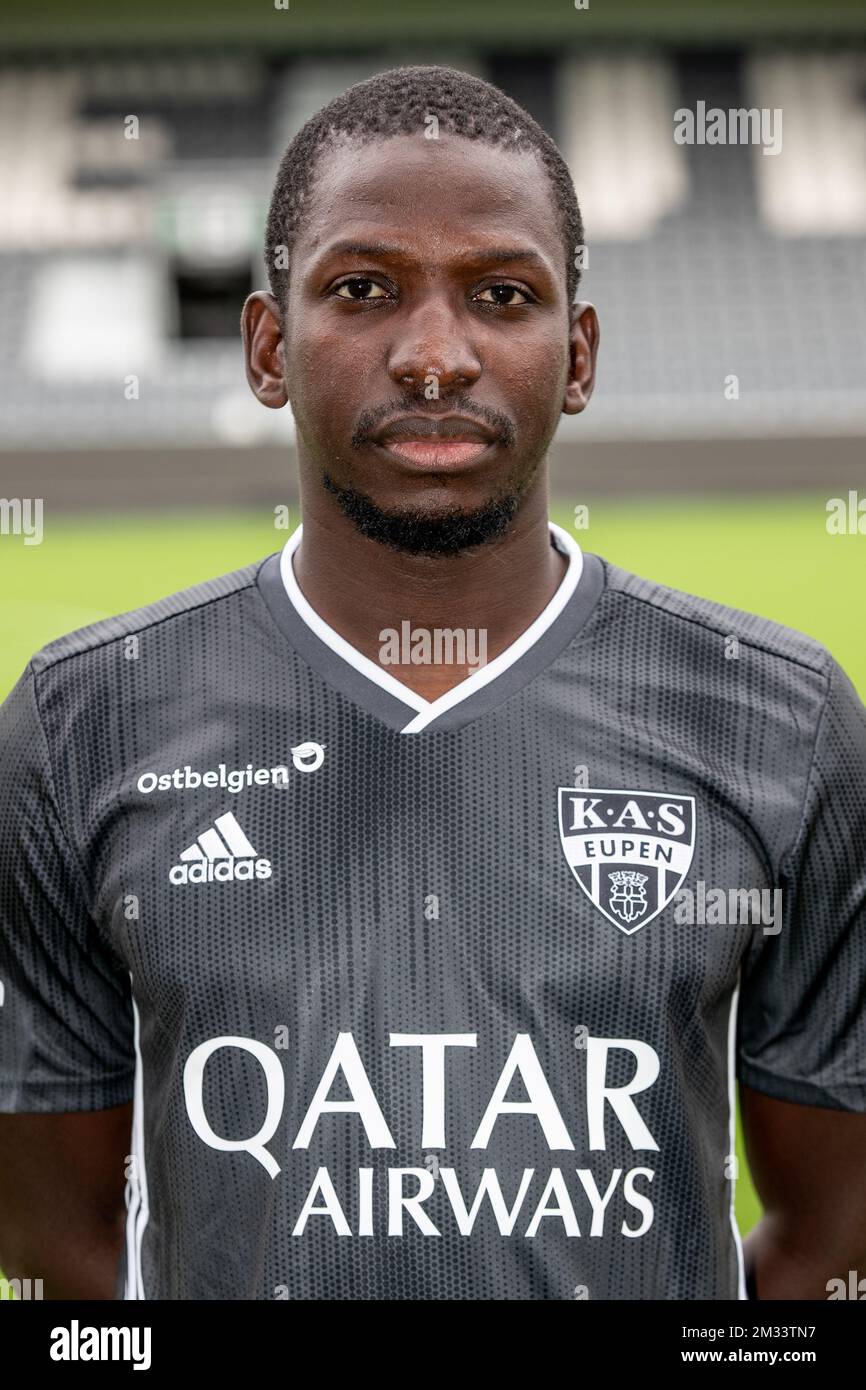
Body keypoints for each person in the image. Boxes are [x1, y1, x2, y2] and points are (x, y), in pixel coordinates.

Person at [0, 65, 864, 1301]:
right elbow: (57, 1249)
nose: (433, 357)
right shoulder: (81, 725)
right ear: (266, 346)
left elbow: (832, 1239)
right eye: (362, 289)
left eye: (499, 296)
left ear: (576, 356)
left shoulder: (777, 717)